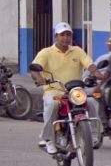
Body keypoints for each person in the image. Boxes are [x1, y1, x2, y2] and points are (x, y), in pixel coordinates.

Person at [31, 22, 101, 153]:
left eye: (68, 35)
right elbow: (35, 69)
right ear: (56, 36)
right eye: (62, 35)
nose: (65, 38)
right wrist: (39, 78)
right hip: (54, 90)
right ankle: (48, 139)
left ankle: (94, 134)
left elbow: (89, 64)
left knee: (92, 102)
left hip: (75, 91)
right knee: (52, 104)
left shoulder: (77, 51)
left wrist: (96, 73)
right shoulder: (46, 52)